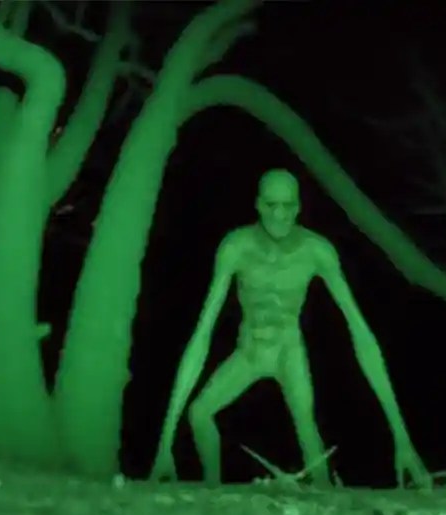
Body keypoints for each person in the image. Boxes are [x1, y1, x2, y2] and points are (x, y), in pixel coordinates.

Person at [150, 169, 429, 488]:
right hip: (250, 350)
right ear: (257, 204)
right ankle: (213, 490)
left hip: (288, 350)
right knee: (199, 414)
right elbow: (203, 333)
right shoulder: (237, 247)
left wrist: (402, 438)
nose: (279, 214)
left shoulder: (316, 251)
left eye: (287, 205)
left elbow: (360, 332)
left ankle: (324, 496)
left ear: (298, 207)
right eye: (271, 205)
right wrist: (164, 443)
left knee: (307, 428)